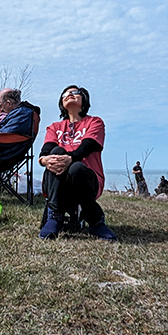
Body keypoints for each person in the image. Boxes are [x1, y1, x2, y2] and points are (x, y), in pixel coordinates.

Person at [38, 85, 117, 241]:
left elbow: (88, 146)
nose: (69, 95)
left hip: (86, 180)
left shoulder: (95, 122)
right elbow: (46, 150)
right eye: (65, 94)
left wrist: (71, 158)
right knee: (57, 153)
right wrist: (43, 160)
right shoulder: (55, 127)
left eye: (75, 92)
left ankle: (94, 220)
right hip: (56, 184)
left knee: (76, 168)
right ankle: (55, 215)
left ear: (84, 98)